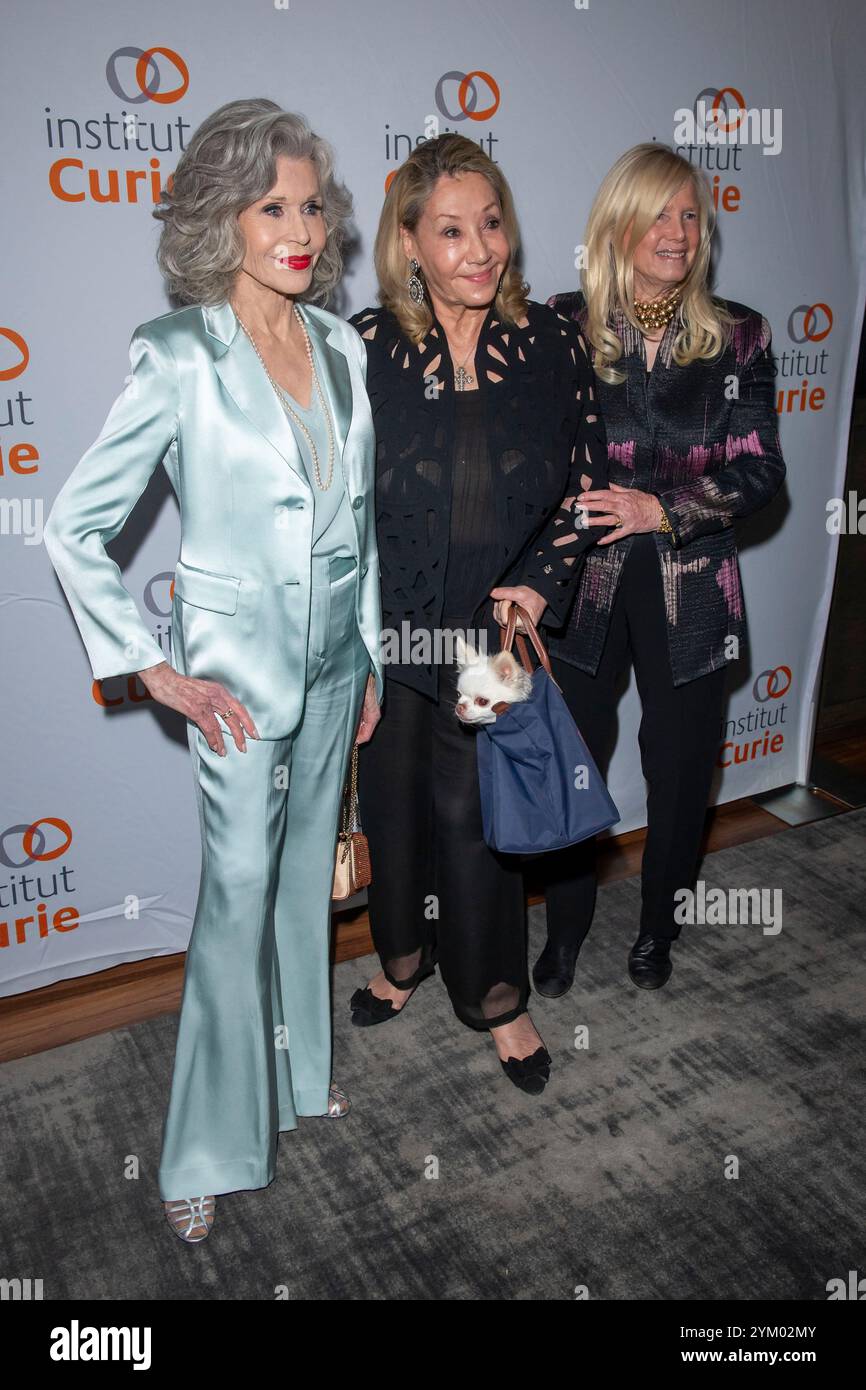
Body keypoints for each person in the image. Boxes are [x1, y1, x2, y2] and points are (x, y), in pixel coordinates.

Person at [42, 98, 383, 1241]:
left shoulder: (339, 344)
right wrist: (152, 671)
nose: (299, 227)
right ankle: (199, 1145)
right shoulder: (178, 353)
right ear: (219, 219)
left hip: (336, 663)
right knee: (234, 903)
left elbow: (359, 523)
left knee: (301, 892)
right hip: (234, 680)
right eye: (269, 206)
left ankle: (291, 1079)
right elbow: (72, 527)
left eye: (310, 204)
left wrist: (372, 648)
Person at [346, 134, 610, 1094]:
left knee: (479, 822)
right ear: (409, 242)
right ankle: (402, 961)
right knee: (395, 807)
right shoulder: (365, 346)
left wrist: (542, 579)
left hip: (488, 633)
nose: (478, 248)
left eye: (491, 223)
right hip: (390, 624)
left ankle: (498, 996)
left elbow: (585, 486)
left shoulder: (550, 343)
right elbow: (333, 503)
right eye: (450, 230)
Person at [535, 142, 786, 996]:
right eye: (659, 214)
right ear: (620, 222)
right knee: (572, 761)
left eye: (690, 215)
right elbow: (534, 459)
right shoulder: (562, 323)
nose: (677, 232)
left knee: (681, 774)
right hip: (587, 580)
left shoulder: (740, 335)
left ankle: (656, 932)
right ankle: (564, 931)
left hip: (694, 583)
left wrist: (664, 509)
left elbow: (760, 471)